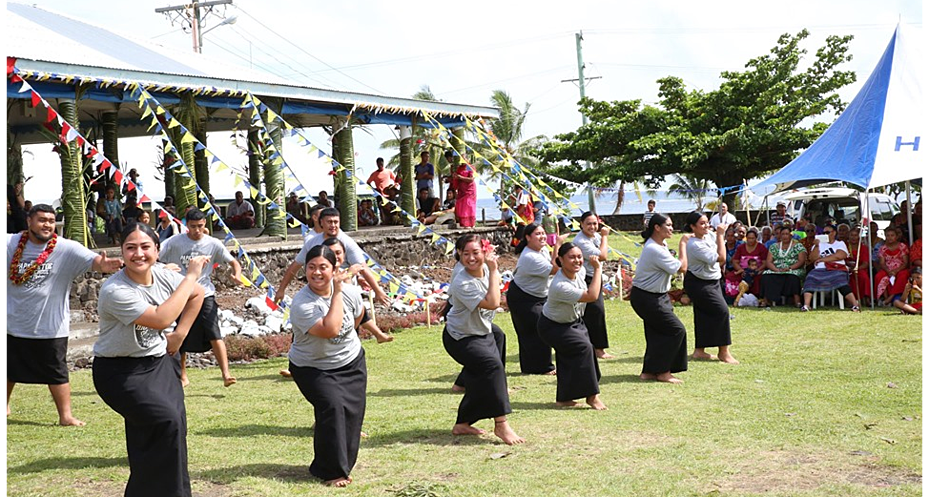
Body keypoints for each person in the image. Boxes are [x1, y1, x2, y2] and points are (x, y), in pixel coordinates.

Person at [93, 222, 206, 497]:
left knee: (174, 426)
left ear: (157, 250)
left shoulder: (161, 276)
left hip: (157, 364)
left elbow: (197, 295)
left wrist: (180, 335)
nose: (138, 254)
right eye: (130, 248)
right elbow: (160, 318)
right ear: (121, 252)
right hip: (119, 372)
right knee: (165, 420)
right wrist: (191, 276)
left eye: (145, 247)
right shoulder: (115, 290)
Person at [2, 203, 123, 425]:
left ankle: (65, 416)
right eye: (41, 220)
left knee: (57, 373)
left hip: (49, 325)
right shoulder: (9, 244)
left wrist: (104, 264)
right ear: (29, 221)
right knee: (6, 369)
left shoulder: (66, 248)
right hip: (11, 323)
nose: (47, 224)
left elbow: (94, 262)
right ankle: (3, 406)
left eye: (50, 220)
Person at [288, 244, 368, 487]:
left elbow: (358, 318)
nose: (317, 272)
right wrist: (336, 293)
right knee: (332, 409)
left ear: (335, 269)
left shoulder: (352, 293)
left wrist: (341, 291)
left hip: (350, 361)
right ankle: (333, 472)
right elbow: (330, 329)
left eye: (323, 267)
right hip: (312, 368)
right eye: (311, 267)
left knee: (352, 415)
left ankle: (326, 465)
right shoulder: (302, 303)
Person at [443, 234, 525, 445]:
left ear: (485, 252)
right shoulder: (462, 280)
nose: (471, 258)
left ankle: (463, 422)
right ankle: (501, 424)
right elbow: (493, 303)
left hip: (482, 331)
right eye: (466, 253)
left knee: (496, 341)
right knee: (492, 366)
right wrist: (495, 269)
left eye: (476, 253)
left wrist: (491, 268)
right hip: (460, 337)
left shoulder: (486, 269)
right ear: (459, 254)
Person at [159, 208, 243, 387]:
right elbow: (155, 258)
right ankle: (182, 375)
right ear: (185, 225)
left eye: (200, 226)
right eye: (193, 226)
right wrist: (163, 268)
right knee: (180, 333)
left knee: (214, 331)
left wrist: (236, 274)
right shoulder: (173, 242)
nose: (197, 230)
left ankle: (226, 374)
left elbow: (234, 261)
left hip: (205, 293)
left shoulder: (213, 244)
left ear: (205, 224)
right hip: (180, 292)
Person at [536, 241, 608, 409]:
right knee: (584, 348)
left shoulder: (580, 271)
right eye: (571, 257)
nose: (577, 261)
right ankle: (592, 397)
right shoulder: (559, 285)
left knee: (569, 356)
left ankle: (564, 398)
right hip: (553, 326)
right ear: (560, 260)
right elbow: (591, 296)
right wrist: (598, 269)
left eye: (579, 257)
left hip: (573, 322)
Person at [275, 208, 390, 309]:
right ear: (321, 223)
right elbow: (294, 266)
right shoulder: (312, 242)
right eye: (329, 222)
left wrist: (378, 291)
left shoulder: (348, 242)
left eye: (336, 222)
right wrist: (281, 290)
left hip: (344, 289)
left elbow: (363, 268)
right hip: (319, 290)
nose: (333, 225)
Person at [629, 213, 689, 383]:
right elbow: (682, 268)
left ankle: (648, 372)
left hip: (655, 296)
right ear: (657, 227)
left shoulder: (659, 244)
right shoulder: (654, 249)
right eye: (668, 225)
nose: (671, 228)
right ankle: (663, 372)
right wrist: (683, 244)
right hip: (648, 298)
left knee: (656, 333)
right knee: (676, 330)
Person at [682, 212, 738, 363]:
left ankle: (699, 351)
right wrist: (720, 235)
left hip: (712, 280)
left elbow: (718, 235)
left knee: (703, 314)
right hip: (698, 282)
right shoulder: (694, 245)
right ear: (693, 226)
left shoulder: (708, 236)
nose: (706, 226)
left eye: (707, 222)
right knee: (722, 311)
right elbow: (721, 258)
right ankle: (724, 352)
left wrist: (722, 231)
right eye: (702, 223)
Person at [507, 223, 560, 375]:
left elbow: (552, 264)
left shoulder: (541, 250)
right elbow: (555, 269)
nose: (542, 236)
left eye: (543, 233)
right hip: (522, 297)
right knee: (535, 329)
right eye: (538, 234)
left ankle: (532, 367)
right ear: (528, 237)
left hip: (536, 296)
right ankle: (543, 368)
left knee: (534, 330)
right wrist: (558, 246)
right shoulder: (530, 256)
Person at [322, 237, 393, 343]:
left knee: (360, 308)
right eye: (331, 253)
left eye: (338, 253)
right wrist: (350, 275)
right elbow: (346, 296)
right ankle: (378, 334)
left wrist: (358, 278)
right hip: (335, 320)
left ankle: (379, 334)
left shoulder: (342, 271)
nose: (335, 257)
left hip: (350, 319)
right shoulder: (323, 276)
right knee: (360, 308)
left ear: (344, 254)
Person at [572, 212, 612, 360]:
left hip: (595, 277)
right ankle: (598, 349)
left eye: (595, 223)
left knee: (593, 313)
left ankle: (591, 346)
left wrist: (602, 238)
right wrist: (605, 237)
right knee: (596, 311)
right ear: (581, 224)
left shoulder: (595, 237)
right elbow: (603, 255)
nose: (592, 227)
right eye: (589, 223)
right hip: (586, 279)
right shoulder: (581, 241)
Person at [801, 224, 862, 312]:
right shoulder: (818, 245)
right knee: (810, 278)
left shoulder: (840, 243)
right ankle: (806, 305)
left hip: (837, 269)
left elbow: (840, 255)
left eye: (827, 232)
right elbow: (812, 259)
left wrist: (822, 259)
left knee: (841, 280)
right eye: (823, 232)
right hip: (820, 270)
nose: (825, 234)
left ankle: (855, 305)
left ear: (834, 233)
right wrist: (817, 246)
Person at [760, 225, 807, 307]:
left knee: (793, 276)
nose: (785, 236)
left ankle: (797, 300)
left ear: (791, 235)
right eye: (783, 234)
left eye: (787, 234)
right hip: (777, 269)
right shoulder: (774, 246)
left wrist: (789, 268)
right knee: (766, 275)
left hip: (793, 268)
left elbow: (801, 261)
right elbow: (769, 261)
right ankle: (766, 300)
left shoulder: (798, 246)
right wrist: (776, 269)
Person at [873, 225, 910, 306]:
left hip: (900, 269)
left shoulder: (902, 246)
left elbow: (905, 262)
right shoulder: (882, 248)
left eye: (892, 235)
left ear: (896, 236)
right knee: (879, 276)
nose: (890, 237)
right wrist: (888, 271)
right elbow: (882, 263)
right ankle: (886, 298)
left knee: (903, 276)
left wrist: (896, 271)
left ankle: (890, 298)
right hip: (887, 269)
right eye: (887, 235)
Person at [730, 227, 769, 299]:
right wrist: (741, 270)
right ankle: (733, 296)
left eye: (752, 238)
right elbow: (735, 261)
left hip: (757, 271)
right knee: (731, 276)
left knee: (758, 278)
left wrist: (757, 270)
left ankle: (756, 297)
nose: (750, 240)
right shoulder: (741, 247)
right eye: (749, 238)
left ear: (756, 238)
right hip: (743, 270)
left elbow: (765, 262)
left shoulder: (761, 247)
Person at [844, 227, 872, 306]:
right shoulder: (844, 246)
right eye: (851, 235)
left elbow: (865, 263)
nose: (853, 237)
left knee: (863, 276)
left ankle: (866, 298)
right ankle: (850, 300)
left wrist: (856, 268)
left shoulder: (863, 248)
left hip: (860, 268)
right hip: (846, 268)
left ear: (859, 237)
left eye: (855, 235)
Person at [452, 159, 477, 227]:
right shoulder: (459, 168)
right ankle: (464, 224)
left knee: (469, 205)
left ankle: (471, 224)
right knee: (461, 206)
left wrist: (461, 177)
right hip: (461, 190)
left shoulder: (471, 167)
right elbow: (456, 180)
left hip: (470, 190)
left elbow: (471, 179)